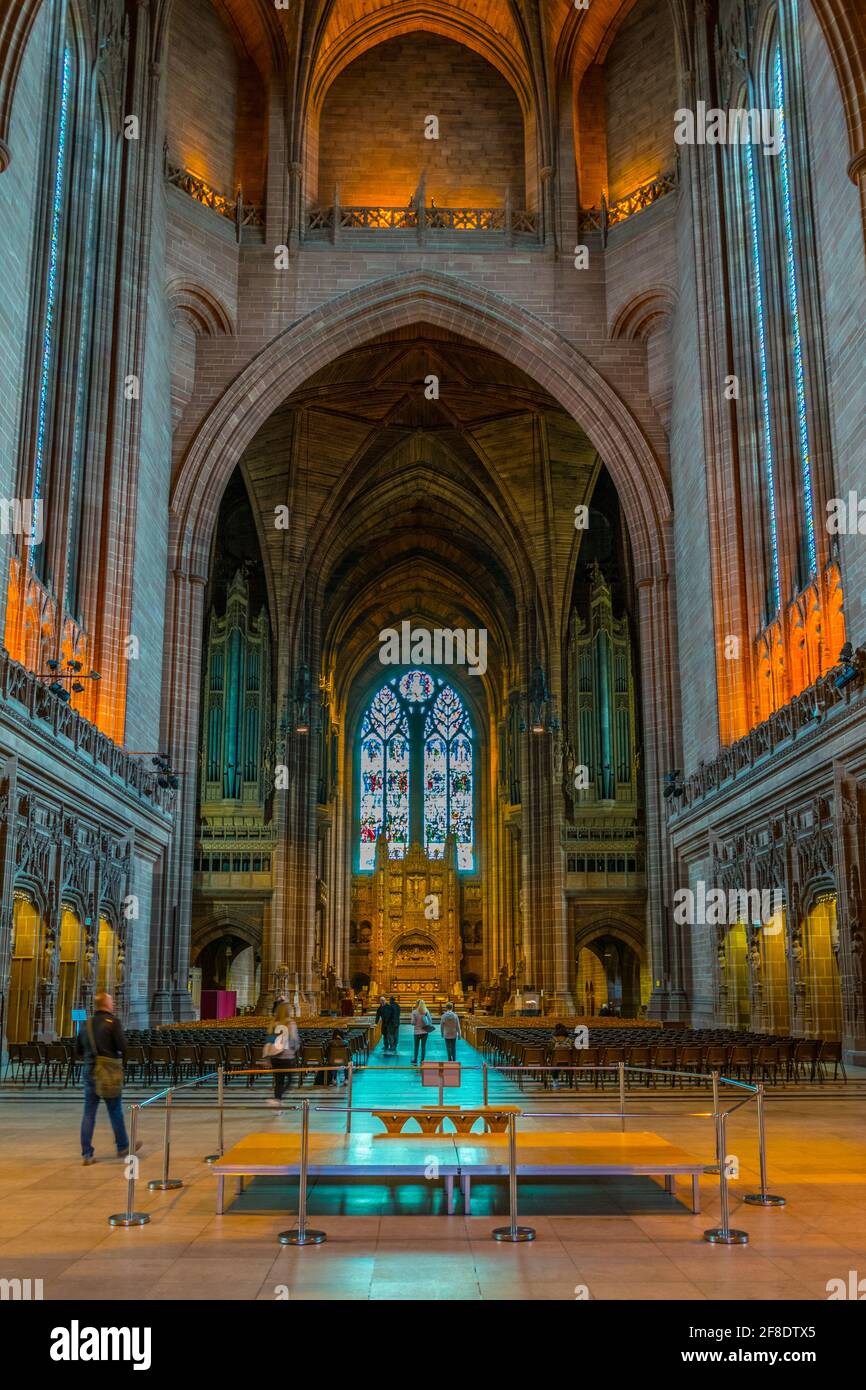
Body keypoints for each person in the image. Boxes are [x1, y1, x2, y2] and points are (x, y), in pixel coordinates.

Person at [75, 991, 135, 1165]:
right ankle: (123, 1146)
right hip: (107, 1072)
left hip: (89, 1072)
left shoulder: (86, 1024)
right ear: (106, 1005)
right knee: (115, 1110)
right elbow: (123, 1046)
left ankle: (87, 1153)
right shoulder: (113, 1023)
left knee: (89, 1113)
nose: (114, 1004)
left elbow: (77, 1050)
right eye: (111, 1002)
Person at [266, 1002, 300, 1105]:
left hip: (275, 1057)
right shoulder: (290, 1024)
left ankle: (277, 1101)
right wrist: (296, 1048)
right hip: (287, 1057)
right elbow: (294, 1041)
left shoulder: (273, 1023)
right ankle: (278, 1099)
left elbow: (269, 1041)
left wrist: (268, 1057)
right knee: (291, 1080)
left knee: (279, 1081)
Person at [411, 998, 433, 1065]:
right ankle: (422, 1060)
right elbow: (430, 1021)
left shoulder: (414, 1012)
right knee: (423, 1047)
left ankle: (415, 1059)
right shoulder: (426, 1011)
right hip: (425, 1031)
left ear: (417, 1004)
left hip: (417, 1032)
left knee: (416, 1047)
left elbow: (413, 1023)